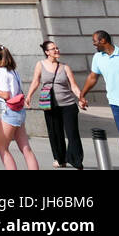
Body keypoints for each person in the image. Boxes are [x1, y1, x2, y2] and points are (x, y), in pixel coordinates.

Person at [80, 29, 119, 170]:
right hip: (116, 105)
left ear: (103, 40)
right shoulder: (98, 58)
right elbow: (92, 77)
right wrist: (82, 94)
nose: (93, 44)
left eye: (94, 41)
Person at [26, 39, 84, 169]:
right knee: (55, 133)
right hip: (50, 104)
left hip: (68, 105)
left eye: (57, 48)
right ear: (47, 52)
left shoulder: (65, 67)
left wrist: (81, 98)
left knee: (72, 133)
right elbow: (35, 81)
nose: (57, 50)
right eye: (53, 49)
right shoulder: (40, 65)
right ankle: (60, 159)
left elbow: (73, 86)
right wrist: (29, 96)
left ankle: (76, 160)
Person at [0, 44, 39, 170]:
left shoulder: (1, 71)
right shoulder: (13, 70)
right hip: (20, 111)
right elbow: (13, 92)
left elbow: (7, 95)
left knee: (1, 147)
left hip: (10, 112)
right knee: (25, 148)